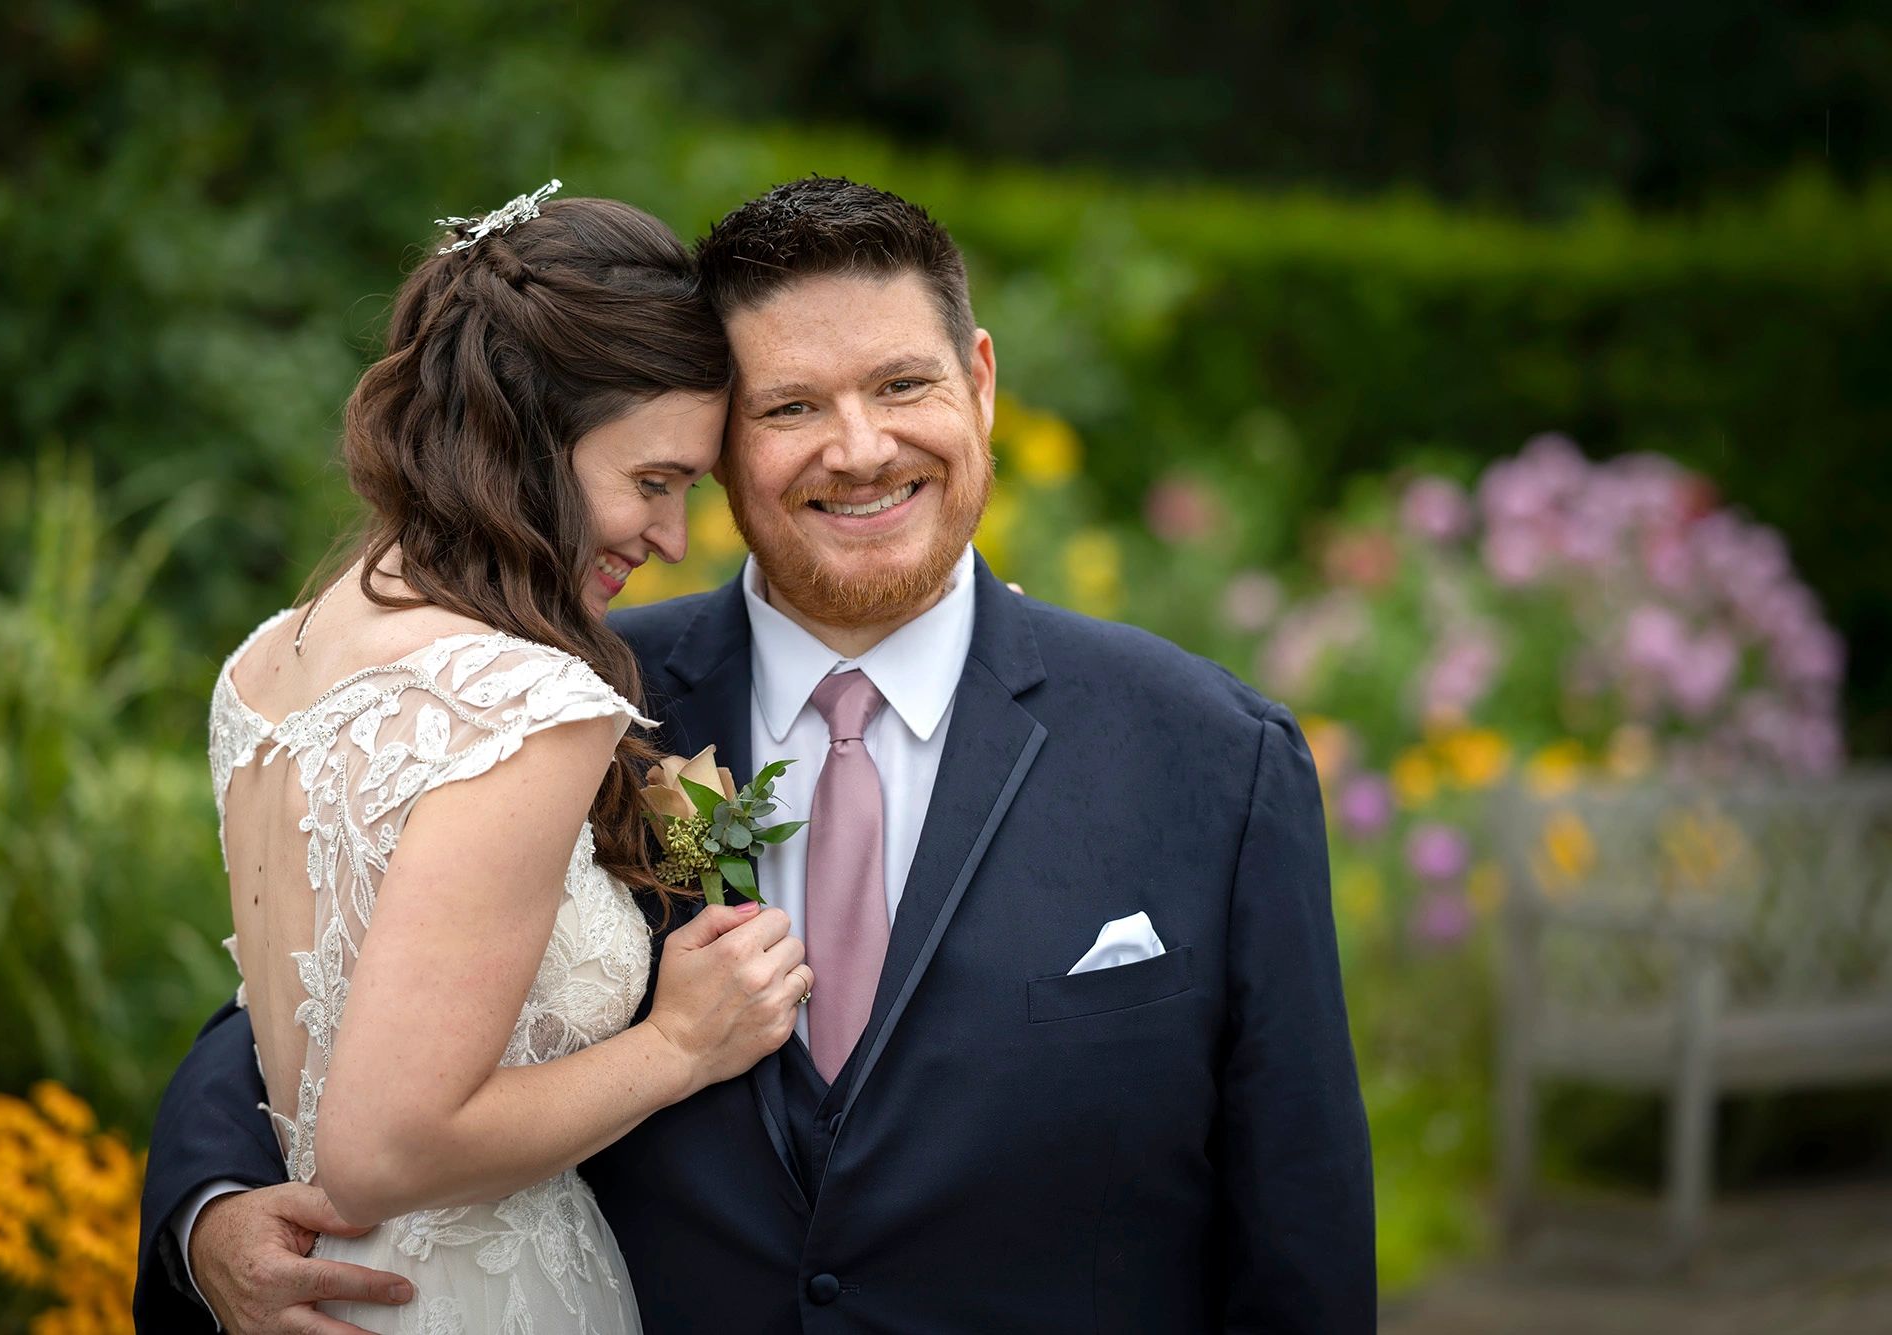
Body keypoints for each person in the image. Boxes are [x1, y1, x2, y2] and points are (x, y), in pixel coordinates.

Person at [140, 176, 1376, 1333]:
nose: (858, 449)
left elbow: (1297, 1223)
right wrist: (209, 1215)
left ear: (980, 382)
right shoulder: (560, 700)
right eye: (790, 407)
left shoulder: (1214, 758)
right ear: (720, 440)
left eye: (901, 386)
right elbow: (317, 979)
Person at [153, 188, 817, 1334]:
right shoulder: (530, 705)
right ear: (527, 438)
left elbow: (328, 1016)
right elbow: (382, 1150)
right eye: (653, 482)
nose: (672, 538)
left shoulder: (270, 660)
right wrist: (677, 1044)